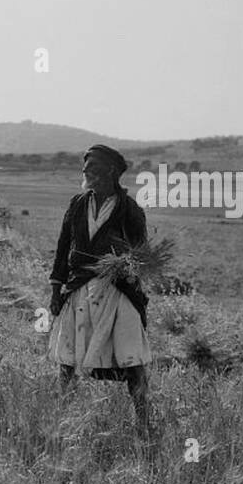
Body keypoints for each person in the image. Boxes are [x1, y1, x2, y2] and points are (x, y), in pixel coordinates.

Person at [47, 144, 152, 428]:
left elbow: (141, 256)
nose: (86, 172)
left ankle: (143, 421)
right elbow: (62, 247)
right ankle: (64, 417)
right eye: (85, 167)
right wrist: (56, 291)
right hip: (79, 288)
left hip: (117, 291)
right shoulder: (78, 204)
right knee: (68, 357)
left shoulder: (129, 210)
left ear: (111, 171)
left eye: (92, 167)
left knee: (131, 359)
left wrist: (124, 265)